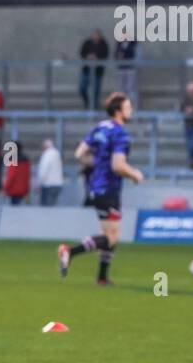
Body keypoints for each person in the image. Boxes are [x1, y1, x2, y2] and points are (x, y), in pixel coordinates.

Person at [57, 92, 144, 285]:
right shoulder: (120, 134)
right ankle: (69, 252)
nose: (131, 111)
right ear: (118, 110)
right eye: (128, 107)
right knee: (112, 238)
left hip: (95, 186)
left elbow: (79, 154)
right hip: (109, 188)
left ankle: (102, 278)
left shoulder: (100, 128)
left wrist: (97, 165)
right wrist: (135, 174)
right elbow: (118, 166)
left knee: (109, 234)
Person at [79, 30, 109, 109]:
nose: (96, 37)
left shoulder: (103, 44)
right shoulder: (87, 43)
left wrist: (97, 58)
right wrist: (88, 57)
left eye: (97, 36)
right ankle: (87, 103)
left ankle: (95, 106)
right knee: (82, 88)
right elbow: (82, 53)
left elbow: (105, 55)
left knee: (96, 90)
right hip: (86, 70)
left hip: (97, 72)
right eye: (95, 35)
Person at [36, 139, 64, 206]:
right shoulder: (57, 153)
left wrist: (39, 184)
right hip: (58, 184)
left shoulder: (47, 155)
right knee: (52, 206)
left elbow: (43, 170)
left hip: (48, 185)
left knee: (46, 209)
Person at [115, 34, 139, 105]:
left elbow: (135, 54)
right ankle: (120, 104)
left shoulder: (133, 43)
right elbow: (115, 54)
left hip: (130, 68)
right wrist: (118, 56)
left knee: (130, 88)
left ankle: (131, 105)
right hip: (121, 68)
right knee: (120, 88)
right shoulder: (119, 44)